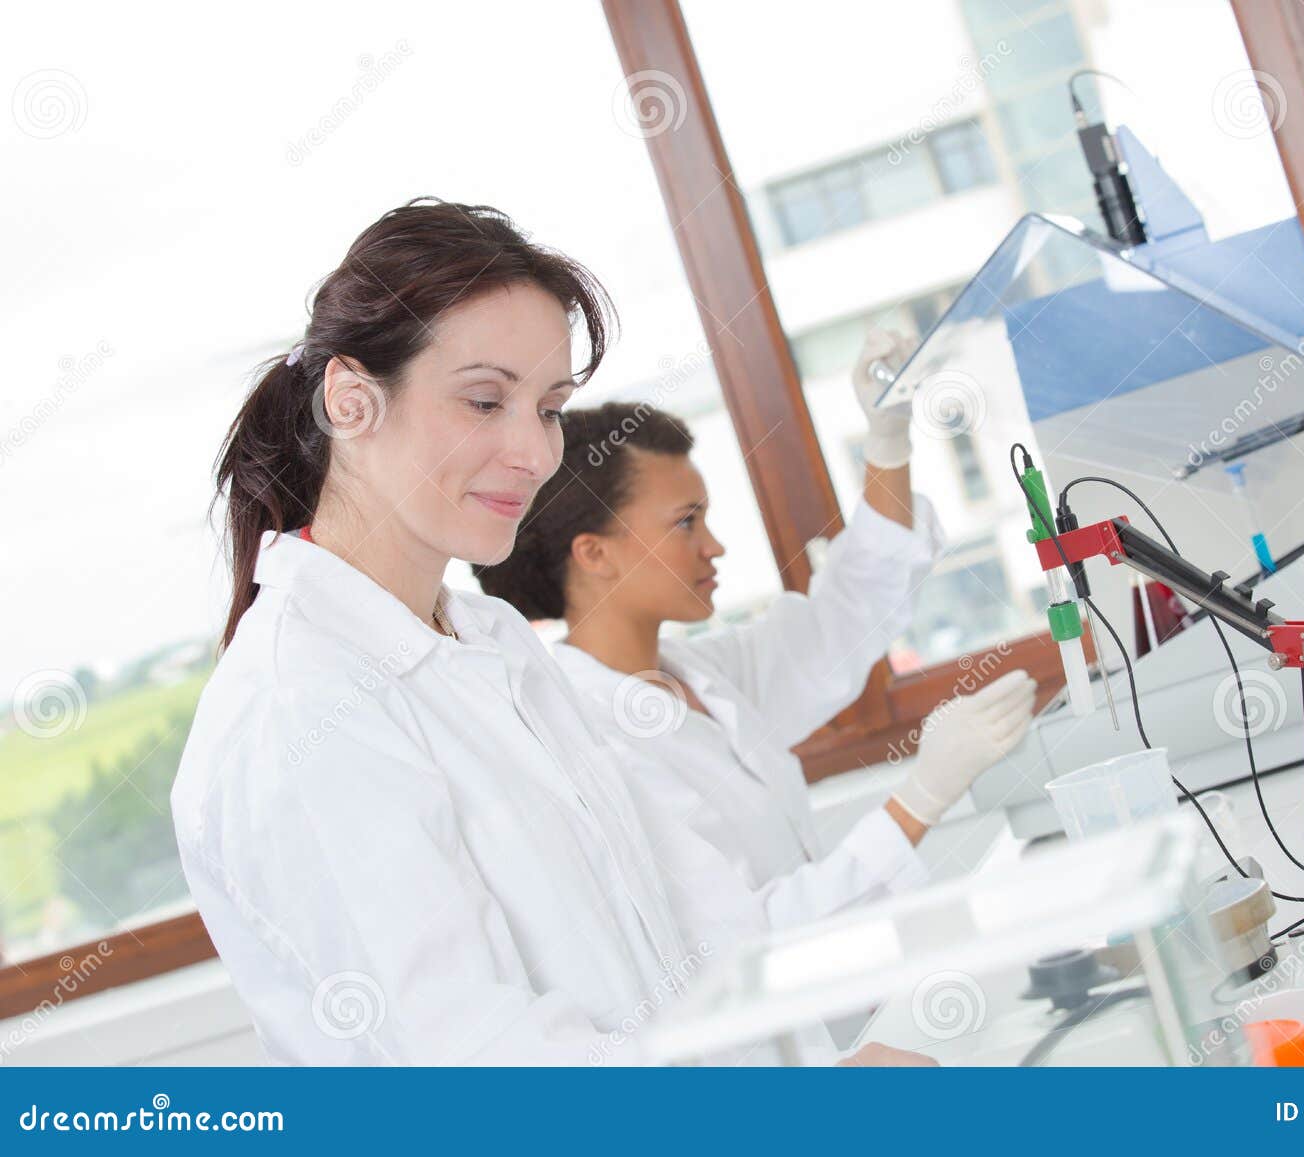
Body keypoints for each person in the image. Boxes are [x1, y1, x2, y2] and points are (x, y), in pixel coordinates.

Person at [171, 197, 920, 1066]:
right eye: (485, 401)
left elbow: (690, 920)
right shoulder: (301, 708)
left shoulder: (490, 638)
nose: (533, 452)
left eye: (550, 406)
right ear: (352, 401)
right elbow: (483, 1064)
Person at [472, 351, 1037, 966]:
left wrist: (888, 439)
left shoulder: (705, 674)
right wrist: (924, 795)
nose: (714, 546)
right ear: (595, 555)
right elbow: (746, 933)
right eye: (686, 523)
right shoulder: (592, 741)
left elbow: (850, 611)